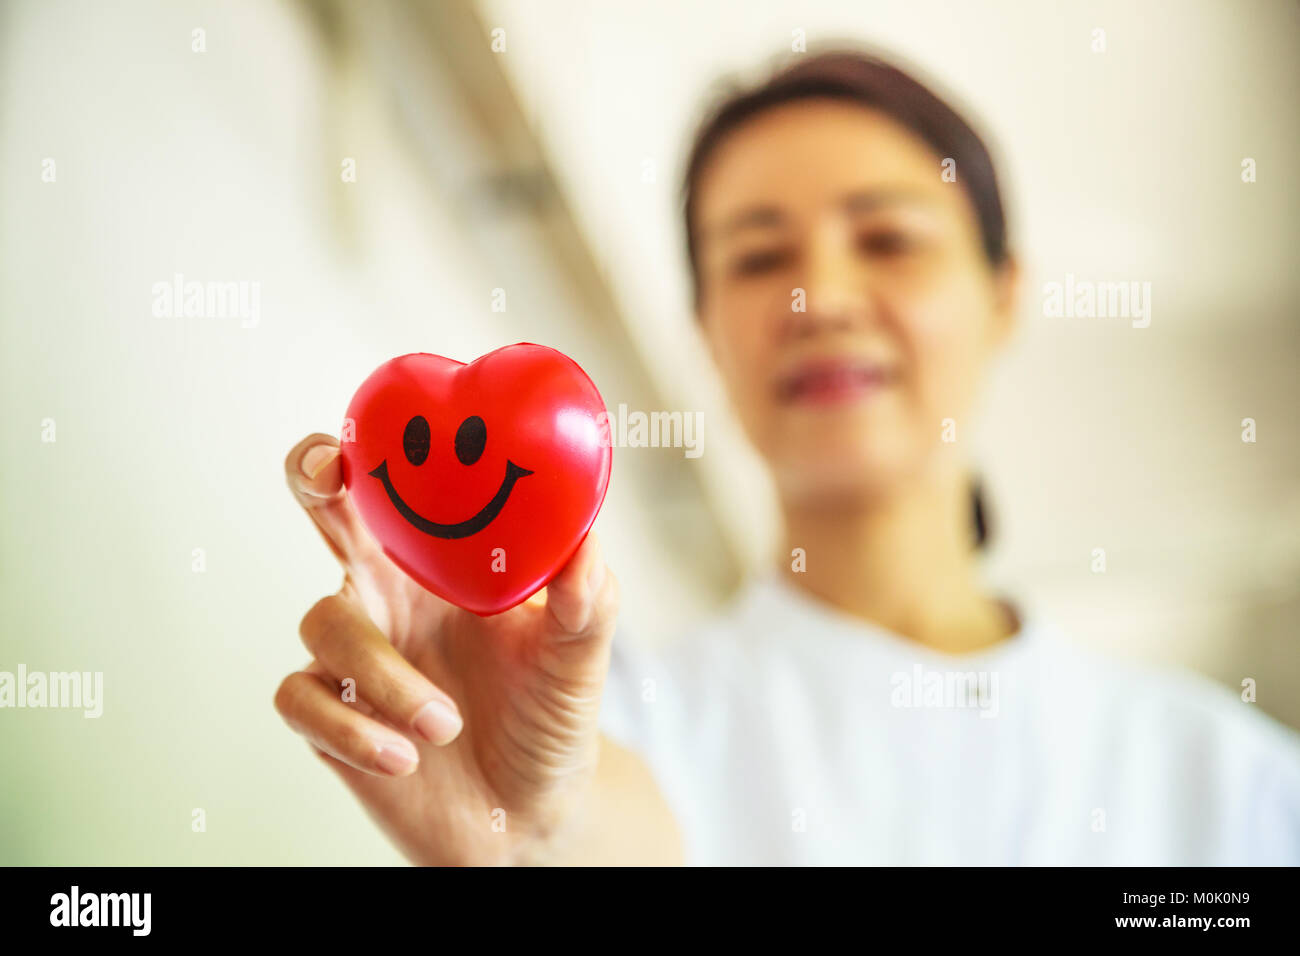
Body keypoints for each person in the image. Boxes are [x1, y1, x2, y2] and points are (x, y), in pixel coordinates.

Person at [274, 49, 1300, 865]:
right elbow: (596, 822)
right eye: (758, 258)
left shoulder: (1239, 781)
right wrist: (533, 833)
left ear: (1002, 292)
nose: (818, 299)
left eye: (888, 238)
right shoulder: (591, 712)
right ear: (708, 331)